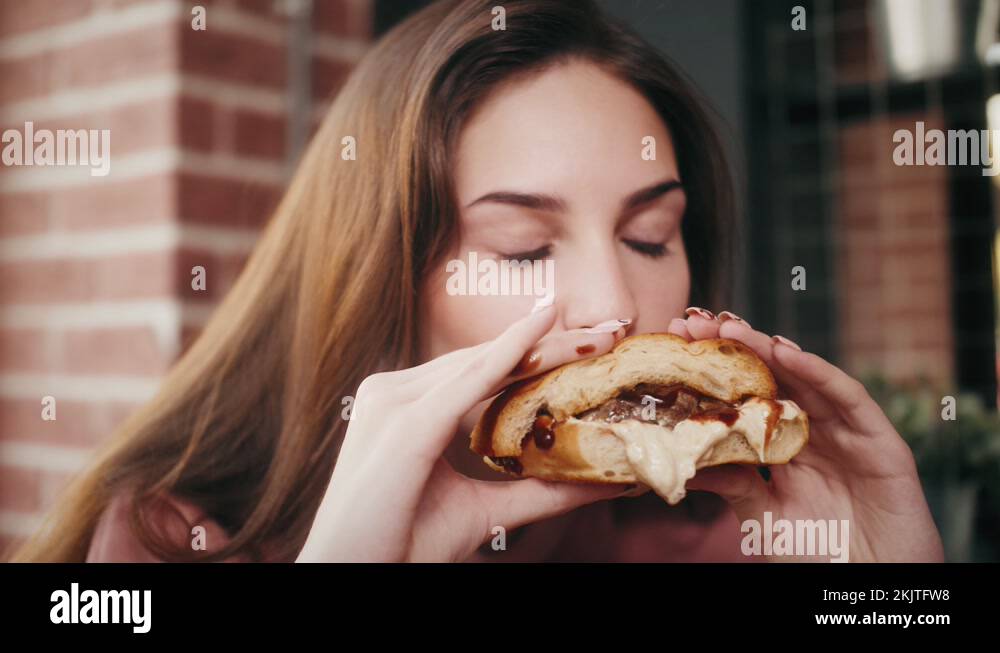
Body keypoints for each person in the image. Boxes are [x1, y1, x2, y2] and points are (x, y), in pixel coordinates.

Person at [8, 0, 943, 563]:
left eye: (651, 235)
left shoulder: (728, 535)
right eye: (524, 249)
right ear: (384, 276)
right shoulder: (176, 531)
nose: (614, 306)